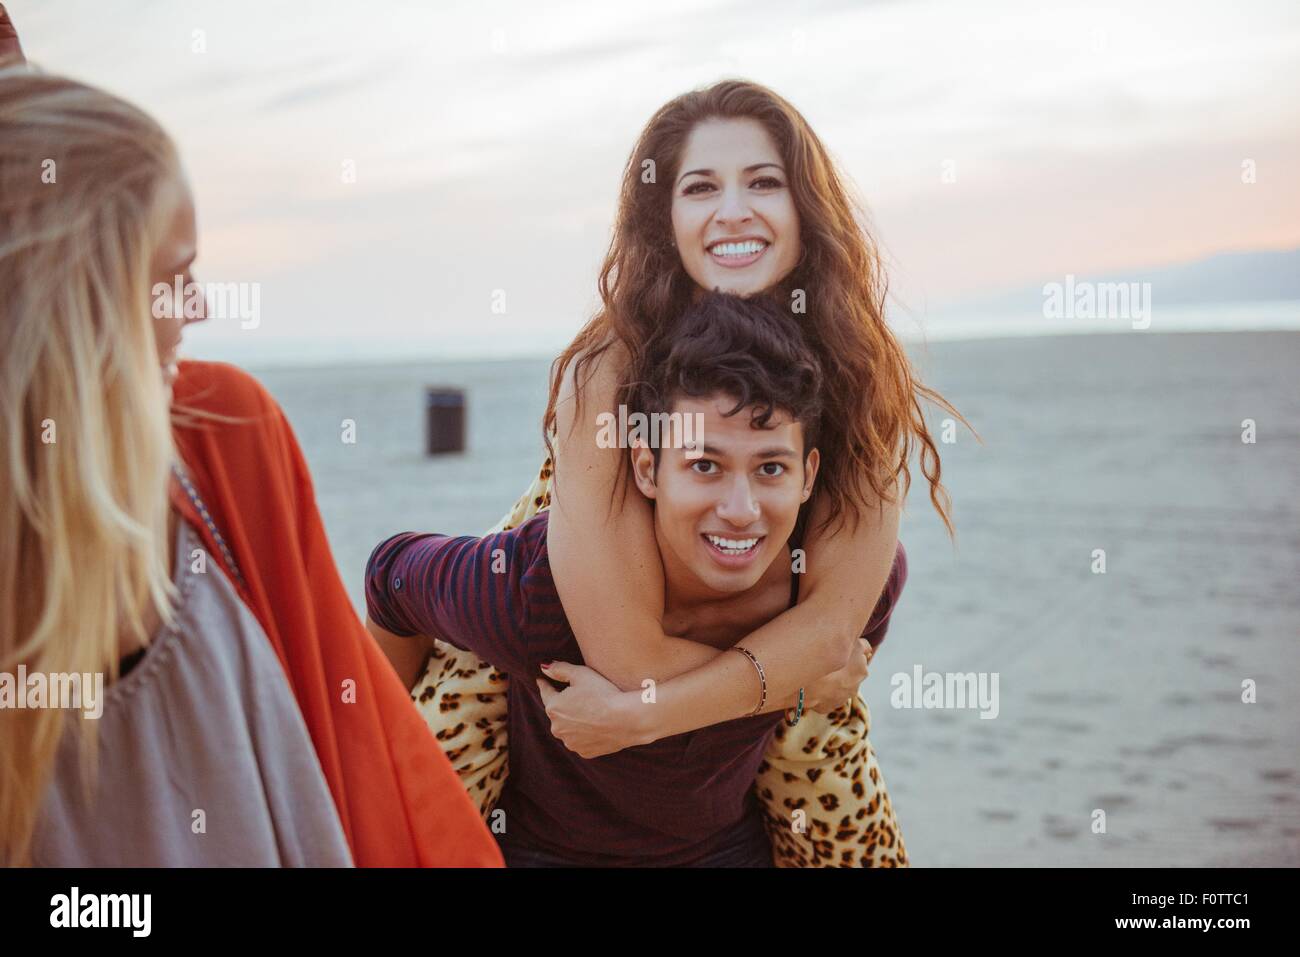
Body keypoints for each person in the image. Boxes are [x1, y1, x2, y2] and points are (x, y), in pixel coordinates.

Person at [401, 79, 971, 867]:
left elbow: (835, 626)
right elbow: (628, 658)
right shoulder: (608, 366)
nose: (732, 210)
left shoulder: (862, 370)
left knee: (839, 793)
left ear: (805, 204)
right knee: (452, 733)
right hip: (570, 591)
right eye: (700, 187)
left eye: (763, 182)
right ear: (664, 218)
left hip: (736, 636)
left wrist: (645, 715)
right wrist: (798, 668)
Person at [0, 64, 501, 866]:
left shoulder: (224, 439)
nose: (199, 307)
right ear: (72, 311)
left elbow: (364, 741)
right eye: (175, 277)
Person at [368, 292, 907, 866]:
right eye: (705, 466)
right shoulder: (541, 593)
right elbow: (391, 573)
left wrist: (800, 669)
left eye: (770, 467)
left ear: (809, 476)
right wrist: (376, 755)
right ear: (648, 469)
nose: (741, 509)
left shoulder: (835, 600)